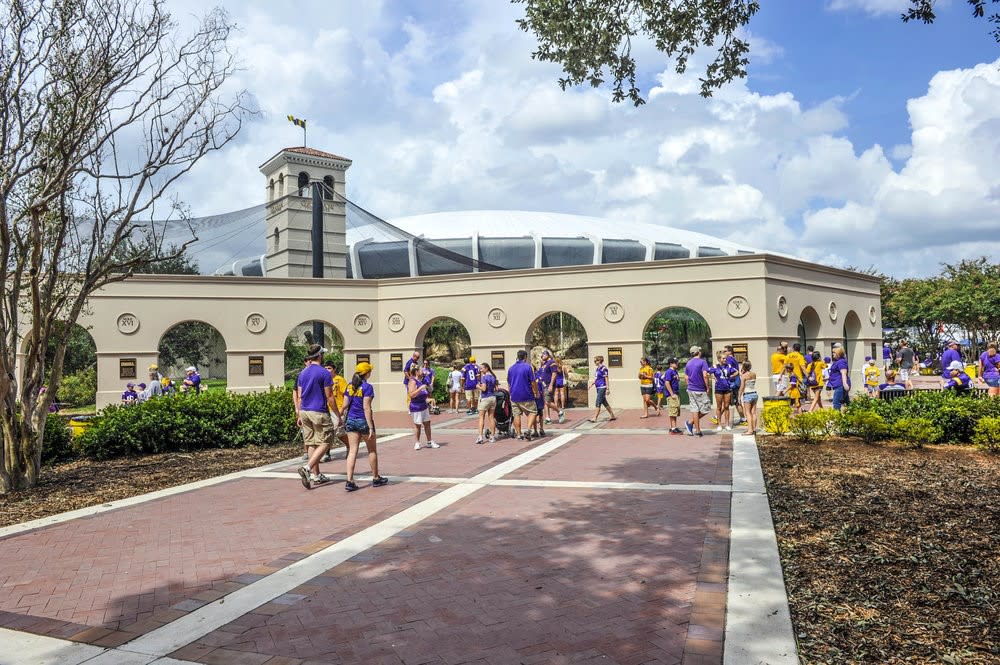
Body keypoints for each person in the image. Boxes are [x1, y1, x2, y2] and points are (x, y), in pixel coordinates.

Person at [341, 361, 388, 491]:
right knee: (372, 450)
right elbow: (366, 408)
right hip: (363, 421)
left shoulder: (350, 386)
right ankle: (376, 478)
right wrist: (371, 427)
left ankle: (349, 481)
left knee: (352, 450)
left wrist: (339, 418)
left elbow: (344, 405)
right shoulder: (367, 387)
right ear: (367, 373)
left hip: (350, 420)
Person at [295, 344, 336, 490]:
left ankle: (316, 475)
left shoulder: (303, 373)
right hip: (318, 411)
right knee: (326, 441)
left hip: (305, 411)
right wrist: (338, 414)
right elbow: (330, 397)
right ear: (319, 356)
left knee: (311, 443)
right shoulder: (324, 373)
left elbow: (300, 396)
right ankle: (307, 468)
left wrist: (299, 413)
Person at [506, 349, 537, 441]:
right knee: (533, 412)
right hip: (526, 394)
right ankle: (528, 430)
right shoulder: (528, 367)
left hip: (514, 396)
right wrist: (536, 392)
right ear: (525, 357)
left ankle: (519, 434)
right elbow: (533, 382)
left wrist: (510, 393)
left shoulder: (511, 368)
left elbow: (509, 382)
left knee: (516, 415)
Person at [407, 366, 438, 450]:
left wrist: (430, 400)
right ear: (416, 372)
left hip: (423, 405)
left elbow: (423, 396)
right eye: (421, 370)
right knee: (418, 425)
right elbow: (412, 395)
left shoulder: (422, 381)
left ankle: (429, 441)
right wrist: (420, 388)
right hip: (416, 407)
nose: (423, 371)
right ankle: (417, 442)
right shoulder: (413, 381)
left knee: (427, 424)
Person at [684, 346, 712, 436]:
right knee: (706, 408)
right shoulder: (702, 362)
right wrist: (707, 387)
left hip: (691, 389)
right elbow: (705, 375)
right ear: (698, 352)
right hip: (700, 389)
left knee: (695, 409)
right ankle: (690, 422)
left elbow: (686, 377)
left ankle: (698, 430)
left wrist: (689, 385)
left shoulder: (688, 363)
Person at [588, 355, 616, 423]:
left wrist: (607, 388)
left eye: (595, 361)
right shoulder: (597, 369)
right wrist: (592, 384)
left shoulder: (604, 368)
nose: (594, 362)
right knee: (604, 402)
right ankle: (612, 416)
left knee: (598, 402)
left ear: (599, 361)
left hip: (602, 387)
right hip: (598, 387)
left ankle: (595, 418)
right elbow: (597, 378)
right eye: (594, 361)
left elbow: (606, 378)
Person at [476, 362, 498, 444]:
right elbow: (496, 388)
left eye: (481, 368)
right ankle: (492, 437)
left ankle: (480, 437)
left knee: (481, 417)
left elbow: (484, 389)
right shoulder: (493, 377)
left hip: (485, 398)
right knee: (491, 417)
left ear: (486, 368)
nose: (480, 370)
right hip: (493, 398)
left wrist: (478, 386)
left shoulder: (484, 377)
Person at [709, 357, 732, 431]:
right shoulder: (715, 366)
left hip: (727, 388)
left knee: (726, 406)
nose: (725, 360)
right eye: (723, 358)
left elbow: (737, 372)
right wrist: (712, 376)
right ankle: (719, 424)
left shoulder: (728, 366)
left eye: (725, 359)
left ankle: (727, 424)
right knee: (719, 407)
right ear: (719, 359)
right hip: (718, 388)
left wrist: (730, 377)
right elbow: (707, 372)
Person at [737, 362, 759, 433]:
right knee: (754, 413)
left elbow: (742, 387)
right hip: (754, 393)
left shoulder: (744, 376)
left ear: (743, 367)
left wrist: (739, 396)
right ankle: (754, 429)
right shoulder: (754, 374)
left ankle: (750, 430)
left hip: (747, 394)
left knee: (748, 413)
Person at [828, 347, 851, 412]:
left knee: (836, 403)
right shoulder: (838, 361)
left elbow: (843, 372)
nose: (833, 354)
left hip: (840, 385)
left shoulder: (841, 362)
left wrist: (845, 383)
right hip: (838, 384)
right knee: (847, 403)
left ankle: (836, 418)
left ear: (838, 353)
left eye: (834, 352)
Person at [663, 357, 681, 434]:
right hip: (672, 395)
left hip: (676, 393)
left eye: (677, 362)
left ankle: (673, 427)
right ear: (671, 364)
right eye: (675, 362)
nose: (677, 363)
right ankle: (673, 428)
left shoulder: (675, 371)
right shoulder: (669, 372)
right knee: (673, 411)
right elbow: (667, 383)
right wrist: (672, 394)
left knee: (675, 411)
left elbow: (677, 380)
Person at [532, 363, 547, 438]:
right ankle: (540, 429)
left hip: (534, 398)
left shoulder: (532, 377)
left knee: (534, 414)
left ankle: (537, 430)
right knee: (539, 414)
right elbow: (543, 388)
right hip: (539, 397)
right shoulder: (538, 376)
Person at [553, 357, 566, 422]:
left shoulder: (554, 367)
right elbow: (566, 374)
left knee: (556, 394)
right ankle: (563, 406)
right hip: (561, 381)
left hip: (556, 381)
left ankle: (555, 405)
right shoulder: (563, 367)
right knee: (562, 393)